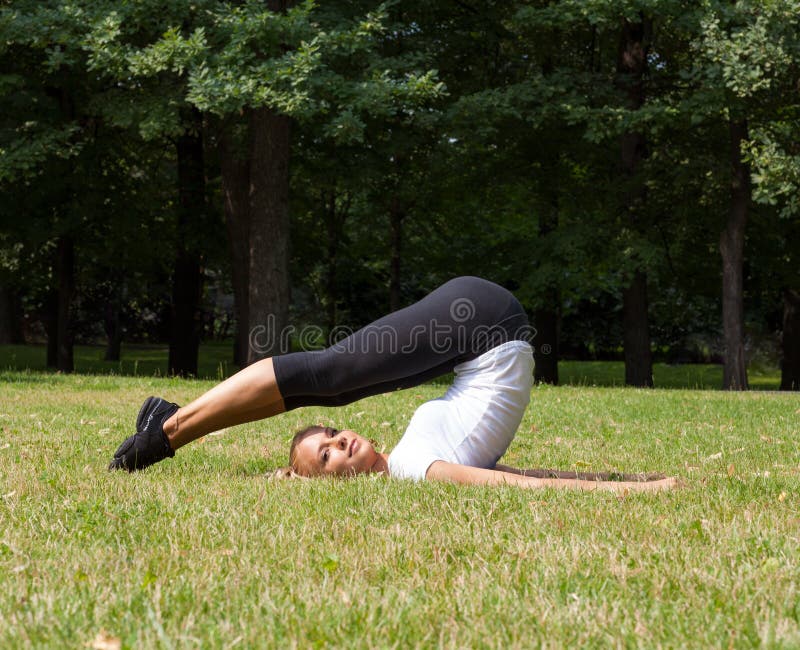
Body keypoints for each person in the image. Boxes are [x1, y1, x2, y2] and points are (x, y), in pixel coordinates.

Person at [109, 276, 677, 493]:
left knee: (329, 378)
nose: (340, 442)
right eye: (327, 457)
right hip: (485, 327)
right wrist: (627, 484)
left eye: (328, 437)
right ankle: (165, 428)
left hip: (481, 325)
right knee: (328, 378)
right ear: (341, 484)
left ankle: (164, 431)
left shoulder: (408, 461)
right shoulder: (412, 470)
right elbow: (516, 482)